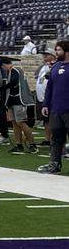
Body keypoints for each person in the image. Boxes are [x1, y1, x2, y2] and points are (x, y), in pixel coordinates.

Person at [39, 40, 69, 174]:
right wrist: (46, 104)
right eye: (56, 50)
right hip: (56, 110)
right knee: (56, 139)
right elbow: (49, 88)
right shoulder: (56, 67)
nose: (56, 53)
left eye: (59, 50)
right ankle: (54, 165)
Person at [1, 57, 37, 153]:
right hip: (12, 100)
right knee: (14, 123)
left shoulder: (15, 70)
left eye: (3, 67)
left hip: (19, 100)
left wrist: (2, 87)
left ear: (4, 65)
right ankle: (19, 145)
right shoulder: (14, 70)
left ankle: (33, 144)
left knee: (21, 122)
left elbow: (14, 82)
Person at [36, 50, 55, 146]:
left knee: (52, 120)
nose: (44, 57)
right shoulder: (43, 67)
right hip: (41, 97)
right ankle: (47, 139)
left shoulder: (55, 66)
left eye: (46, 55)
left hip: (50, 99)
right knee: (45, 121)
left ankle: (53, 140)